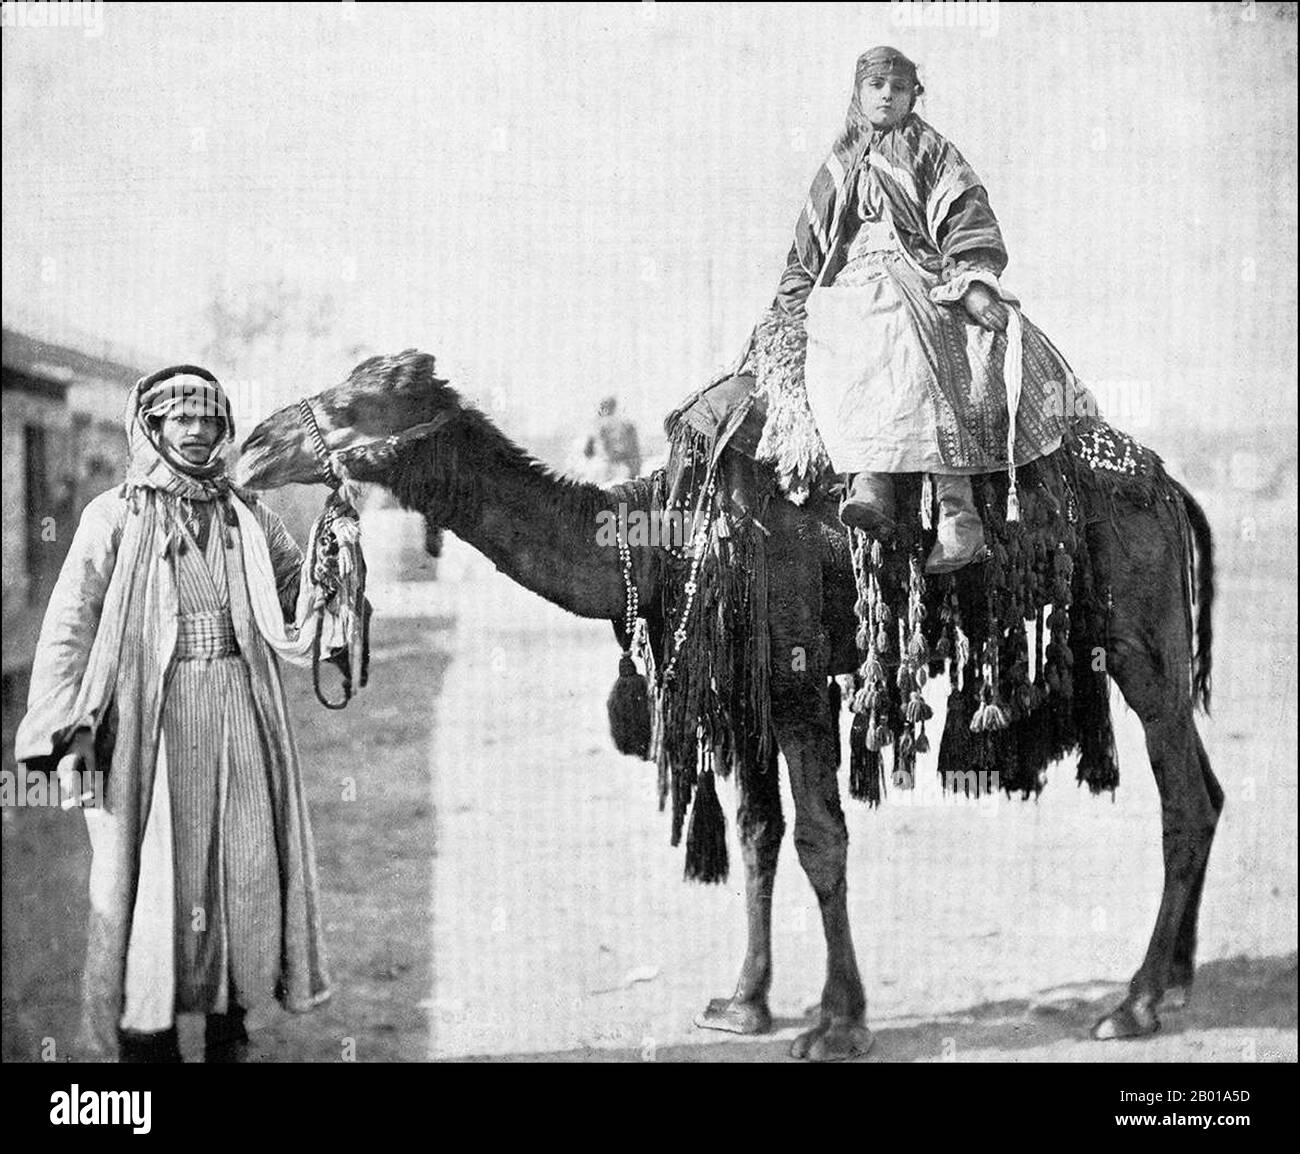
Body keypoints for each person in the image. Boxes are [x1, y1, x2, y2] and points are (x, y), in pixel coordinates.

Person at [14, 365, 346, 1062]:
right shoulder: (115, 515)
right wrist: (55, 726)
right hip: (150, 726)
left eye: (208, 419)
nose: (196, 431)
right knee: (158, 876)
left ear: (224, 429)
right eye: (180, 418)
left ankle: (231, 1020)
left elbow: (294, 596)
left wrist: (332, 563)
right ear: (153, 426)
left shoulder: (245, 513)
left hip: (239, 708)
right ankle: (150, 1036)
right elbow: (71, 622)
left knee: (242, 861)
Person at [770, 46, 1079, 572]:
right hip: (850, 281)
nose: (886, 94)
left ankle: (959, 515)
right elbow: (810, 244)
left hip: (919, 270)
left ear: (914, 94)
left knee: (918, 339)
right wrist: (791, 306)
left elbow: (965, 212)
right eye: (875, 85)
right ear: (858, 93)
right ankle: (870, 483)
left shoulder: (931, 150)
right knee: (838, 338)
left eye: (898, 86)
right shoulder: (839, 161)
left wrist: (972, 280)